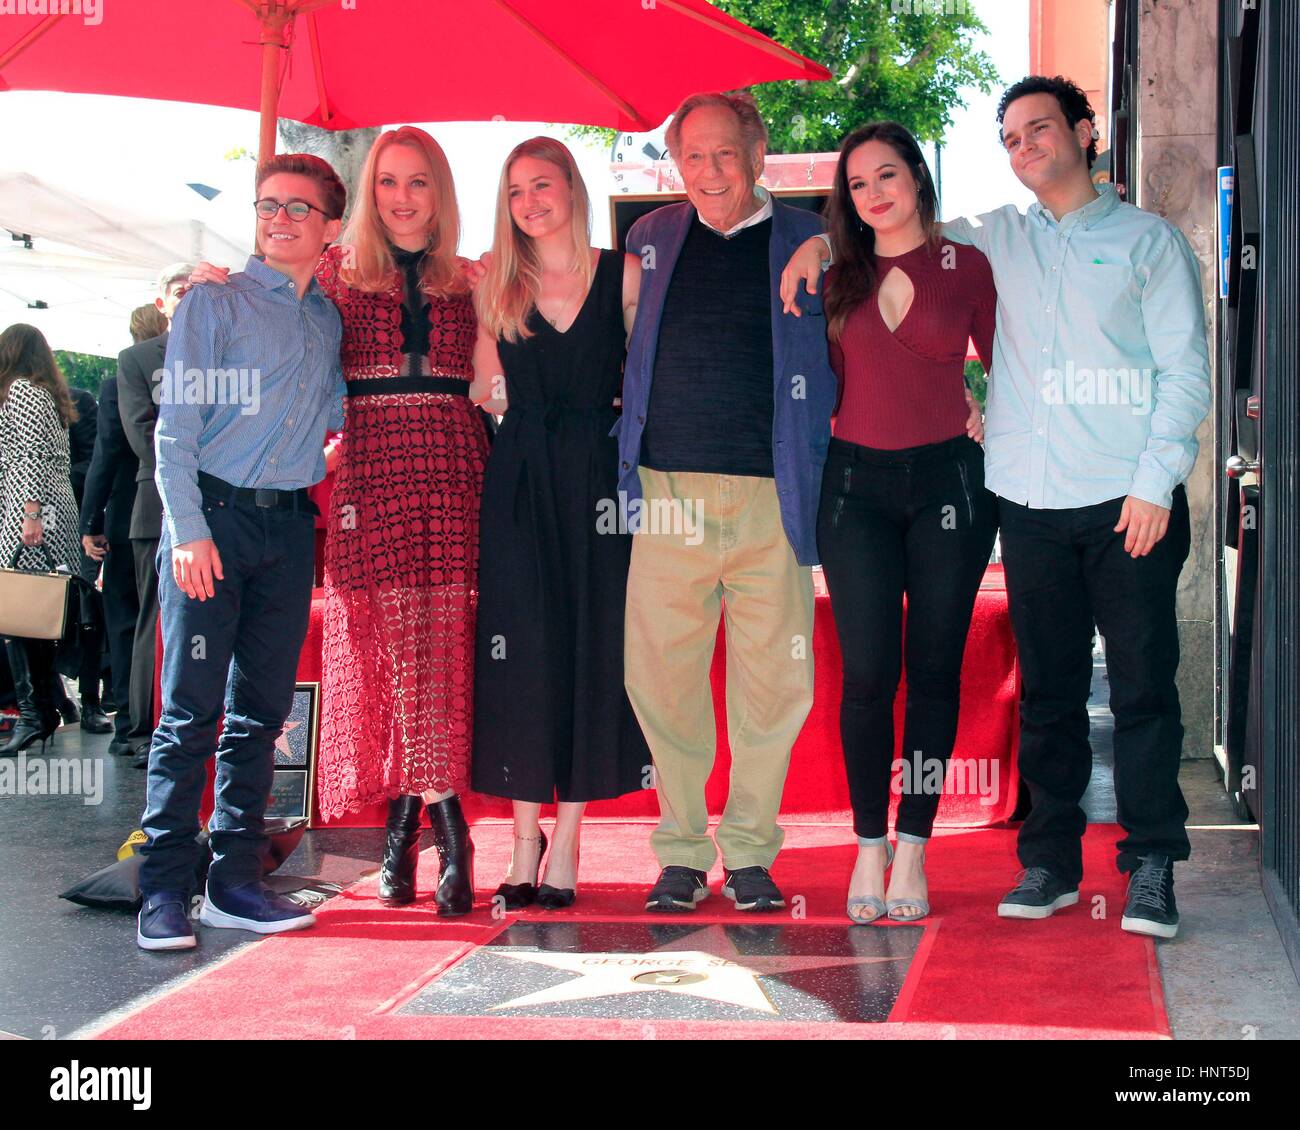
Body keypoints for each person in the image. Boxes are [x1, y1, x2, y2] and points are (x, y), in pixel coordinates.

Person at [781, 75, 1211, 939]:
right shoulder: (992, 240)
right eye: (1010, 137)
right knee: (1050, 691)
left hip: (1130, 500)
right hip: (1028, 500)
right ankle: (1050, 861)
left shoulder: (1147, 244)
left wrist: (1156, 482)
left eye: (1039, 130)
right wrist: (812, 247)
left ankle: (1153, 863)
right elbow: (887, 232)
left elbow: (1186, 371)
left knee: (1142, 691)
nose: (1024, 148)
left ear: (1085, 133)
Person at [194, 128, 488, 914]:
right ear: (369, 195)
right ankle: (446, 830)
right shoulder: (333, 271)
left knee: (442, 653)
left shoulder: (475, 277)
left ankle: (406, 832)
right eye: (388, 181)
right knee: (389, 656)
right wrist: (208, 282)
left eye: (417, 182)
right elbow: (265, 301)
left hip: (456, 471)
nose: (401, 196)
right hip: (371, 470)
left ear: (440, 191)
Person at [615, 92, 838, 913]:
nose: (709, 171)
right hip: (667, 491)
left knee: (775, 688)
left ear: (757, 150)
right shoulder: (649, 239)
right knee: (660, 681)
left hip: (771, 498)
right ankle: (679, 850)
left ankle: (748, 851)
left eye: (723, 152)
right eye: (692, 155)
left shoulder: (811, 236)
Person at [136, 154, 345, 951]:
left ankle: (234, 881)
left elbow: (330, 418)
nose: (280, 218)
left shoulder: (326, 321)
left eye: (300, 208)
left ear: (329, 228)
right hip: (211, 524)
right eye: (268, 204)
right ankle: (162, 887)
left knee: (261, 712)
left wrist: (321, 459)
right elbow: (175, 429)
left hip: (289, 532)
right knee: (189, 711)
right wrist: (187, 528)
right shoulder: (211, 305)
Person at [813, 122, 997, 924]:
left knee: (933, 672)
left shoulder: (967, 266)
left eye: (887, 175)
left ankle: (915, 842)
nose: (874, 193)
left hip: (950, 483)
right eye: (857, 184)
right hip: (853, 486)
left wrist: (987, 410)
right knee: (866, 675)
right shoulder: (830, 272)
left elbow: (1009, 367)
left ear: (917, 178)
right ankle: (868, 843)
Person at [471, 137, 649, 910]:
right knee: (523, 657)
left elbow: (645, 383)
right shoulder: (495, 285)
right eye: (515, 192)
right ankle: (521, 839)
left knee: (591, 648)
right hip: (519, 482)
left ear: (572, 188)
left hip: (600, 485)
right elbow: (485, 387)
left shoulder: (627, 274)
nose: (530, 202)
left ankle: (569, 840)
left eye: (541, 185)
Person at [118, 265, 194, 768]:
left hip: (219, 506)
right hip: (158, 503)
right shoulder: (138, 358)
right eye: (178, 292)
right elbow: (141, 431)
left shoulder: (222, 354)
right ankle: (145, 730)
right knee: (156, 618)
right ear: (161, 303)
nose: (187, 298)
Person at [79, 306, 161, 756]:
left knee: (130, 622)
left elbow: (105, 457)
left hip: (130, 514)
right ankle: (141, 724)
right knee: (149, 620)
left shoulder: (117, 381)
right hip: (148, 510)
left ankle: (131, 725)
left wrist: (89, 521)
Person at [0, 324, 85, 755]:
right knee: (31, 611)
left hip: (30, 507)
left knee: (20, 610)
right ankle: (46, 706)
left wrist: (30, 514)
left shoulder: (21, 391)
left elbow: (29, 454)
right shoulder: (42, 391)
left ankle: (37, 713)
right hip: (41, 503)